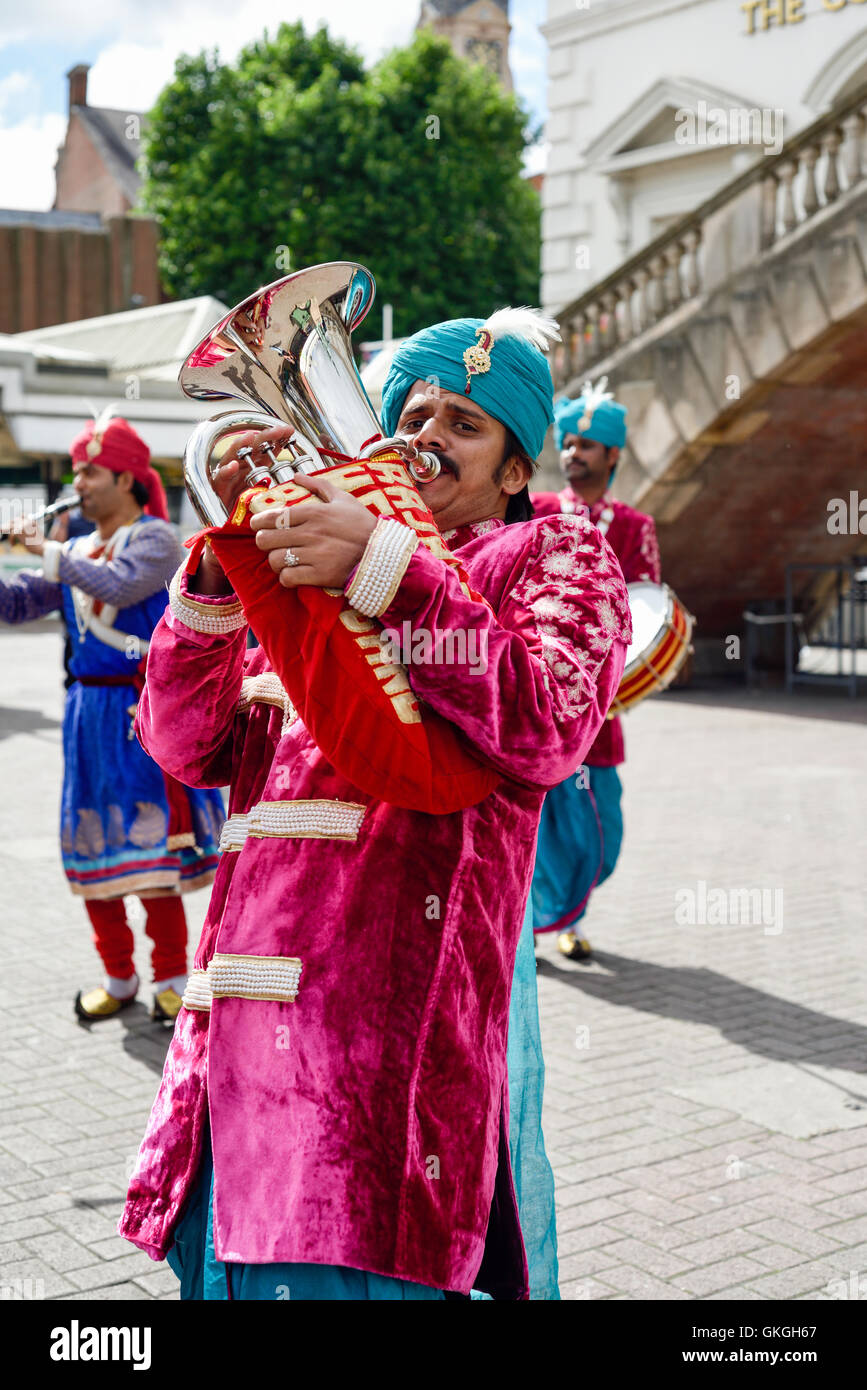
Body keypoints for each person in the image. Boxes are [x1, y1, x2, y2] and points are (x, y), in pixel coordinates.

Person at [119, 309, 632, 1300]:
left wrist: (384, 567)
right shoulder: (308, 557)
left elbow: (548, 721)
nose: (426, 434)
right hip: (229, 1078)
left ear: (517, 471)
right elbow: (186, 748)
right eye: (414, 409)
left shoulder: (551, 556)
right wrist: (221, 571)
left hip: (371, 1097)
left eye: (466, 424)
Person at [0, 412, 224, 1021]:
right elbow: (18, 604)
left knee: (153, 856)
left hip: (140, 710)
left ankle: (171, 978)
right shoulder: (72, 548)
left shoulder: (154, 538)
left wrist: (48, 551)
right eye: (77, 471)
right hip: (85, 716)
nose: (80, 483)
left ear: (128, 478)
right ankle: (118, 977)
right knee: (93, 844)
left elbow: (119, 586)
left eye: (92, 471)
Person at [532, 380, 661, 960]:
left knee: (600, 839)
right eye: (568, 442)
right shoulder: (532, 513)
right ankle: (538, 927)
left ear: (614, 455)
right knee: (533, 833)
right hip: (533, 704)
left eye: (588, 445)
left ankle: (568, 911)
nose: (573, 453)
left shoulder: (635, 528)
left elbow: (649, 608)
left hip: (599, 716)